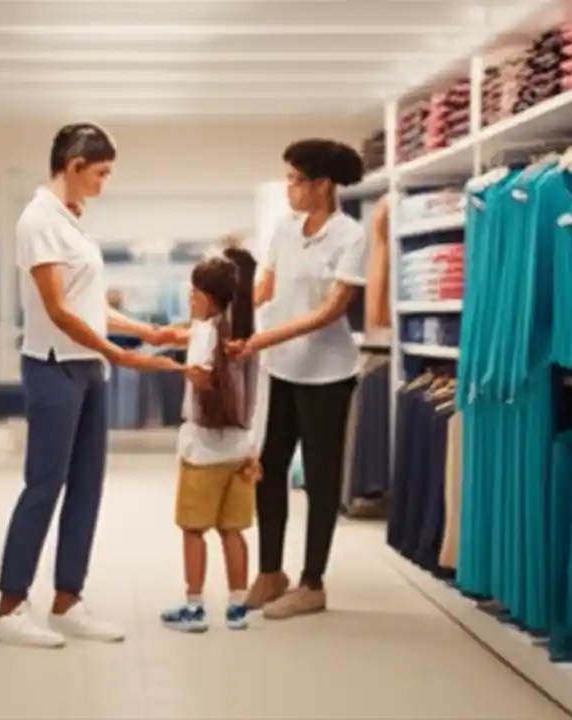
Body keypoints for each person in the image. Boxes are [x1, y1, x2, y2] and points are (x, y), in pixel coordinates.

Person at [0, 122, 185, 648]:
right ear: (74, 165)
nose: (104, 182)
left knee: (88, 486)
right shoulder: (38, 221)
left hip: (87, 366)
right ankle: (8, 608)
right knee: (44, 486)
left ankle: (67, 600)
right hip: (54, 367)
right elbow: (56, 309)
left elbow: (88, 304)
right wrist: (119, 354)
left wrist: (148, 331)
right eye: (100, 172)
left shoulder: (73, 222)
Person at [228, 138, 367, 620]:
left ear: (322, 185)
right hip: (281, 369)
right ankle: (270, 572)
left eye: (295, 179)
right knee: (268, 468)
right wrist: (234, 320)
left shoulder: (351, 236)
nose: (289, 187)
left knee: (322, 479)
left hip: (327, 374)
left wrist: (264, 339)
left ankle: (313, 582)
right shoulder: (285, 231)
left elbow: (331, 311)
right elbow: (265, 288)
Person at [159, 249, 261, 633]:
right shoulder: (248, 336)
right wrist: (256, 449)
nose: (190, 300)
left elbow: (200, 377)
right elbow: (258, 396)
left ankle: (195, 605)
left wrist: (181, 369)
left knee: (193, 529)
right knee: (232, 530)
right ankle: (237, 606)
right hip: (240, 450)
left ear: (206, 297)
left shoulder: (205, 331)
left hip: (201, 449)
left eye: (193, 293)